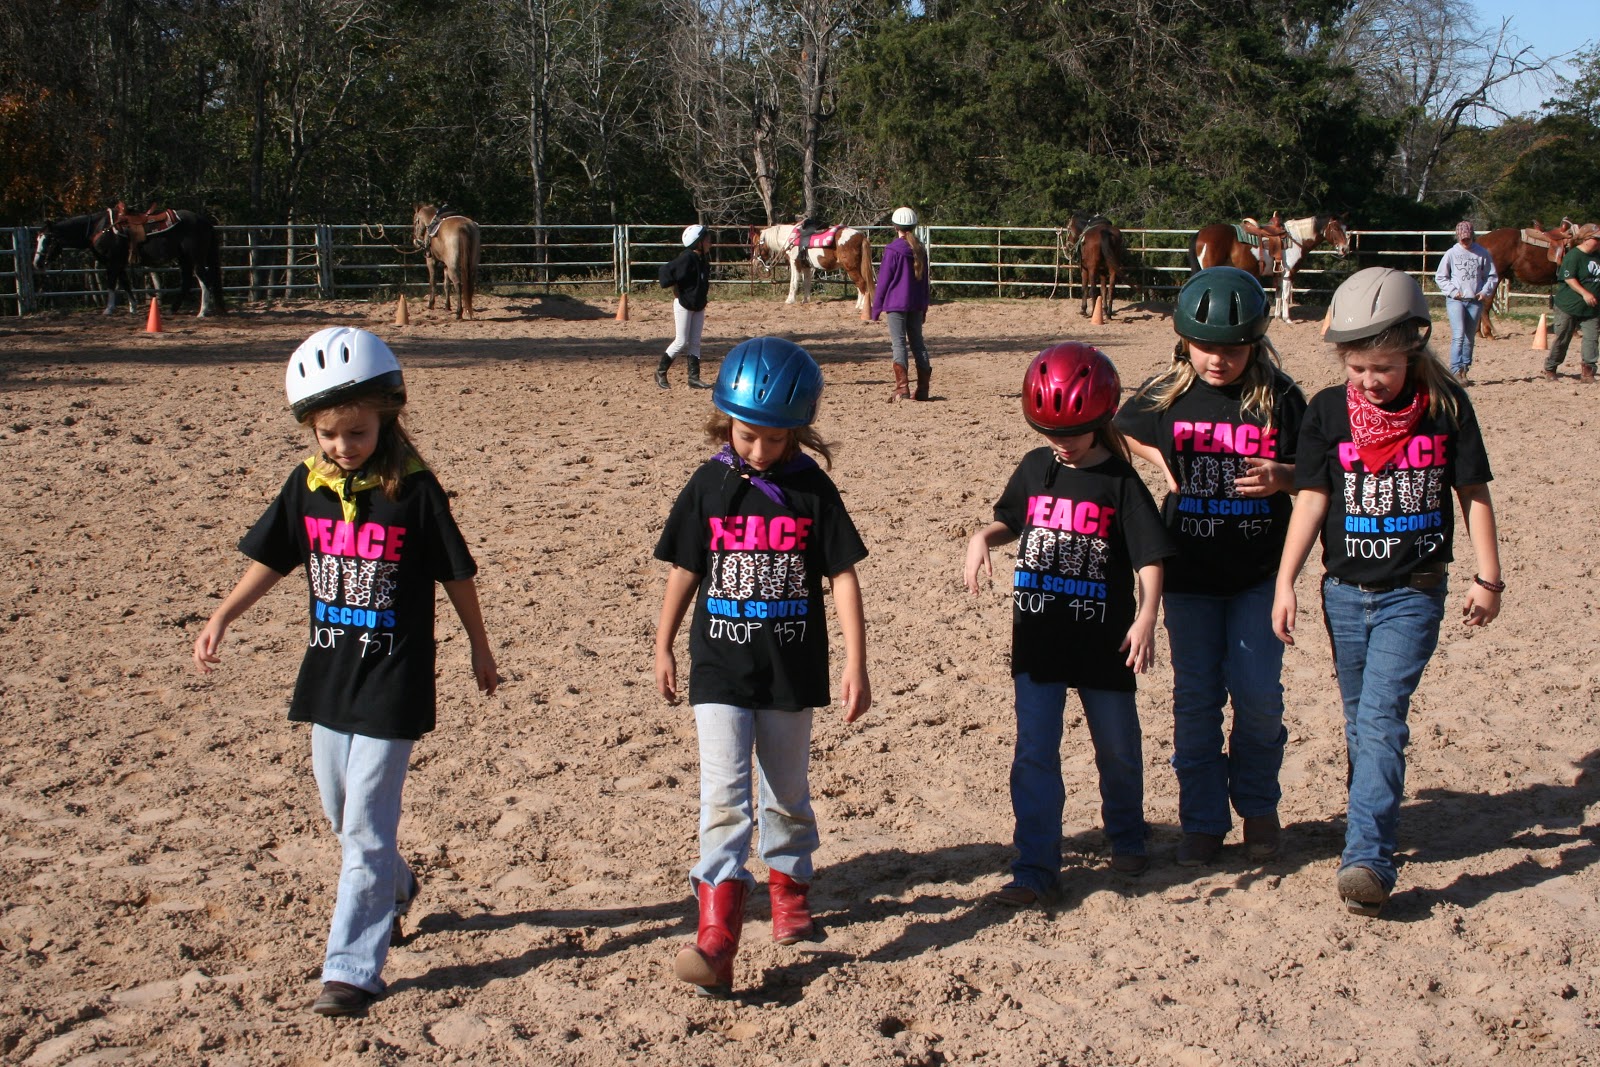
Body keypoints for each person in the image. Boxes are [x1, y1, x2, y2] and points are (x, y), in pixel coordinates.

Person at [192, 326, 499, 1015]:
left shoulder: (415, 491)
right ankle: (396, 885)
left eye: (355, 432)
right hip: (331, 676)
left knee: (363, 825)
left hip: (395, 680)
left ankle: (353, 967)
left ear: (386, 414)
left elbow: (456, 573)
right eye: (328, 434)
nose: (342, 446)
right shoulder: (309, 486)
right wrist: (223, 614)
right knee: (341, 812)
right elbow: (276, 555)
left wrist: (479, 646)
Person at [1272, 267, 1502, 917]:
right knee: (1359, 720)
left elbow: (1473, 494)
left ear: (1414, 350)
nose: (1370, 381)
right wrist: (1285, 582)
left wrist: (1489, 576)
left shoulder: (1446, 406)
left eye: (1384, 367)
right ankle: (1369, 820)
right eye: (1357, 368)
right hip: (1343, 592)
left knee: (1379, 717)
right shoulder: (1326, 412)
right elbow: (1312, 498)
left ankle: (1369, 854)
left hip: (1414, 592)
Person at [653, 336, 871, 996]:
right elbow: (686, 566)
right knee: (724, 798)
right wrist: (662, 642)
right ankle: (716, 934)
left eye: (775, 440)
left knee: (786, 790)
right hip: (717, 667)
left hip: (790, 671)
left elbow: (842, 577)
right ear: (728, 421)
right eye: (749, 435)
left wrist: (857, 661)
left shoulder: (812, 490)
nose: (759, 451)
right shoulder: (708, 482)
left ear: (798, 431)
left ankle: (789, 891)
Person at [965, 343, 1174, 904]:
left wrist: (1148, 614)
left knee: (1118, 748)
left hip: (1105, 643)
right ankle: (1034, 863)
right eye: (1048, 430)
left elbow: (1148, 556)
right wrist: (983, 537)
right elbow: (1010, 519)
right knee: (1035, 750)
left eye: (1074, 432)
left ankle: (1127, 833)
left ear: (1103, 419)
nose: (1060, 443)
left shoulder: (1121, 483)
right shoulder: (1036, 468)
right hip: (1038, 642)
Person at [1116, 267, 1305, 867]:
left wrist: (1283, 477)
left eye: (1231, 347)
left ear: (1255, 342)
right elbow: (1117, 430)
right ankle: (1201, 819)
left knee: (1257, 697)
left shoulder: (1280, 397)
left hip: (1257, 576)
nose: (1217, 360)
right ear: (1183, 341)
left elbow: (1321, 473)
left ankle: (1258, 806)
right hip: (1188, 577)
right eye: (1205, 347)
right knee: (1195, 700)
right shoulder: (1165, 392)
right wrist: (1157, 458)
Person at [870, 206, 933, 401]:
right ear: (913, 226)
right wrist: (924, 307)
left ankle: (902, 388)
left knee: (898, 344)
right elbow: (925, 283)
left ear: (895, 226)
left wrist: (876, 308)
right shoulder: (920, 249)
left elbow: (884, 281)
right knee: (918, 344)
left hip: (896, 304)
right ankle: (923, 389)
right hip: (915, 304)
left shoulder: (892, 249)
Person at [1433, 221, 1498, 384]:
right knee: (1458, 335)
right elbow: (1441, 276)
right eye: (1462, 238)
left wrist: (1484, 291)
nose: (1465, 241)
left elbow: (1491, 275)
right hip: (1456, 300)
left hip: (1475, 300)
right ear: (1458, 237)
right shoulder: (1451, 253)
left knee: (1469, 337)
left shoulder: (1482, 253)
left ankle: (1465, 368)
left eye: (1467, 238)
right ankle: (1455, 369)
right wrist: (1453, 292)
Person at [657, 224, 714, 390]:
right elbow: (666, 272)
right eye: (706, 239)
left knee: (695, 342)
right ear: (698, 242)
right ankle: (660, 371)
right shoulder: (687, 258)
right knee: (681, 341)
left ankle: (693, 378)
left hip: (698, 305)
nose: (709, 241)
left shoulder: (702, 259)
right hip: (684, 305)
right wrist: (676, 288)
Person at [1543, 222, 1600, 384]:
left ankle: (1588, 371)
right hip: (1569, 305)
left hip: (1592, 308)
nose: (1599, 242)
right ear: (1587, 239)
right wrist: (1585, 293)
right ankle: (1551, 367)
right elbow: (1569, 278)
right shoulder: (1574, 256)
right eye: (1597, 239)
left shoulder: (1598, 256)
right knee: (1563, 337)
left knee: (1591, 338)